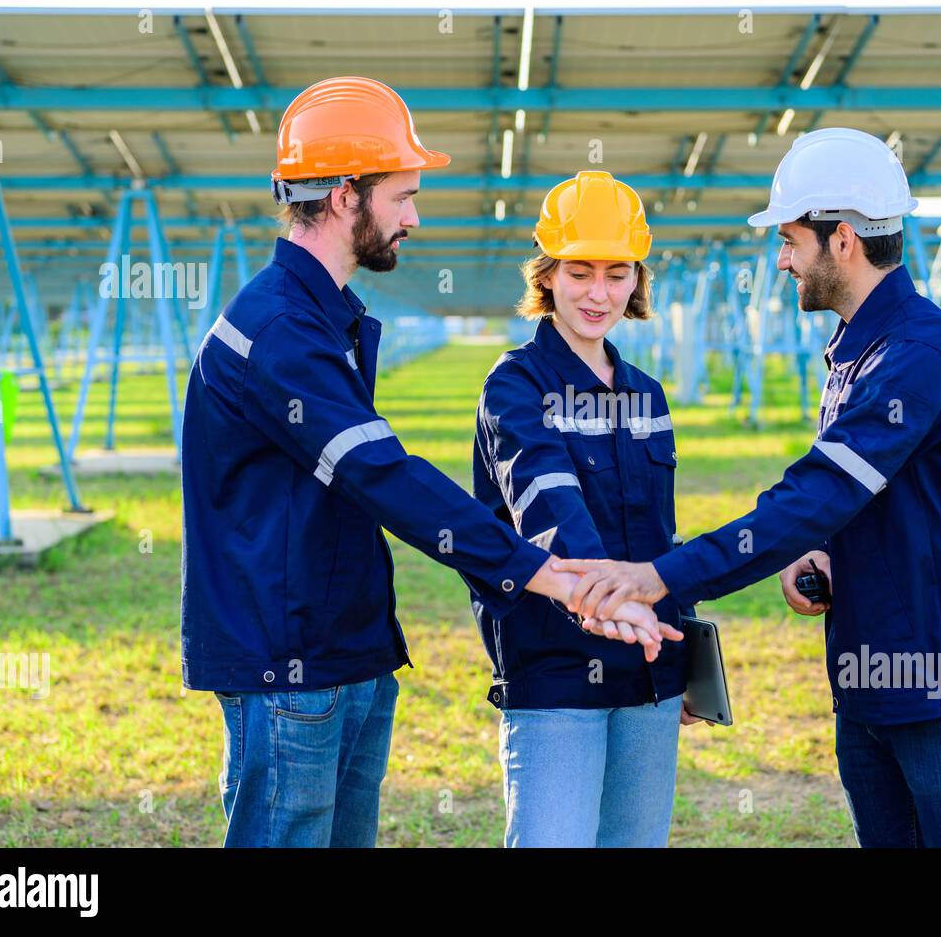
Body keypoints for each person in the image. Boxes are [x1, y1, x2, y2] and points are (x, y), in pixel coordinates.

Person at [180, 78, 672, 848]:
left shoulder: (321, 317)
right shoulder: (281, 330)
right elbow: (385, 476)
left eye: (618, 272)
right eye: (404, 194)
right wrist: (547, 574)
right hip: (289, 663)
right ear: (346, 196)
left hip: (341, 653)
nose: (413, 215)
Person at [556, 128, 941, 848]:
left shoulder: (918, 356)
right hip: (876, 680)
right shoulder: (859, 349)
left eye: (788, 241)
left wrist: (658, 576)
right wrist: (826, 560)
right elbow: (873, 503)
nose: (779, 261)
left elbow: (817, 495)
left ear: (841, 240)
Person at [470, 170, 696, 847]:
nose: (599, 293)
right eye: (579, 271)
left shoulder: (647, 394)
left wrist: (683, 657)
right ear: (547, 276)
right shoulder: (515, 384)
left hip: (649, 667)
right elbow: (545, 498)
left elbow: (662, 534)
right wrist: (614, 602)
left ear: (637, 280)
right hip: (556, 668)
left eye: (617, 272)